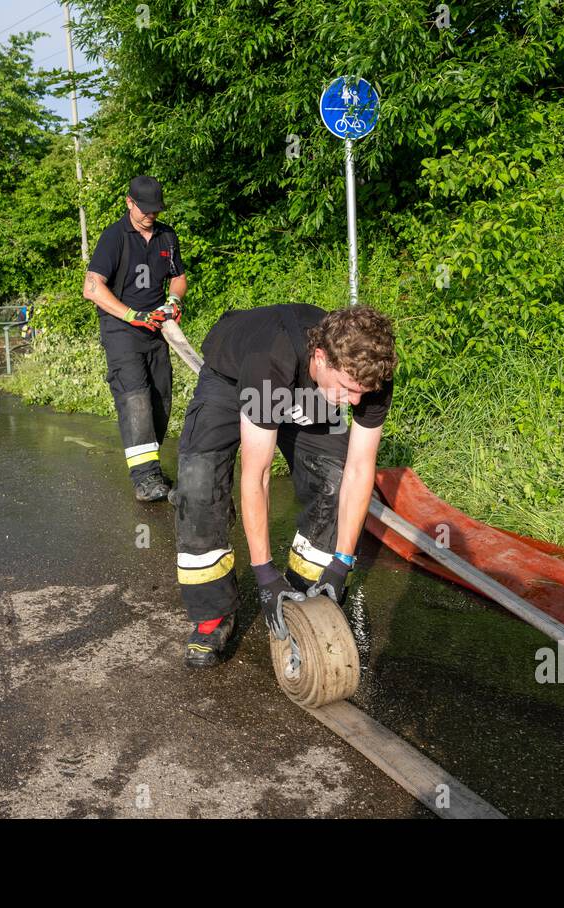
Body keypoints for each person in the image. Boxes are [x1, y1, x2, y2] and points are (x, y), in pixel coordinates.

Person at [174, 303, 397, 668]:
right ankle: (213, 611)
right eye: (348, 389)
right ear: (321, 358)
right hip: (231, 380)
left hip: (311, 389)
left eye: (362, 393)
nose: (355, 402)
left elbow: (358, 469)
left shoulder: (367, 376)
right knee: (199, 486)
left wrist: (342, 563)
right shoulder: (268, 363)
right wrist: (264, 574)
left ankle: (308, 590)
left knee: (334, 478)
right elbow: (257, 475)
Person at [83, 175, 185, 501]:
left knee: (161, 401)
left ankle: (150, 467)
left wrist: (173, 302)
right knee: (136, 399)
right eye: (144, 209)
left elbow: (178, 278)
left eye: (155, 210)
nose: (150, 215)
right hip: (121, 330)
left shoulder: (167, 236)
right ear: (129, 203)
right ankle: (145, 479)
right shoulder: (115, 237)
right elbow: (92, 287)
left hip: (156, 331)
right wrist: (131, 315)